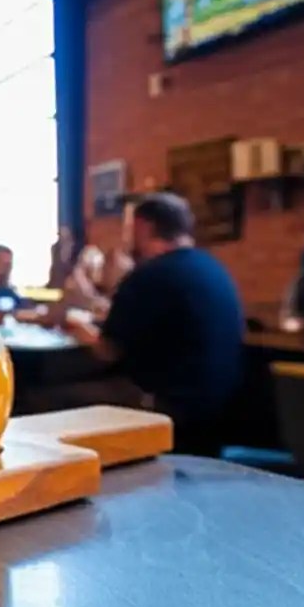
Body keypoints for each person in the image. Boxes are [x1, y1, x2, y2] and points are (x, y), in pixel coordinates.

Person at [66, 193, 244, 456]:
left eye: (129, 230)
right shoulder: (213, 268)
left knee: (44, 398)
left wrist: (77, 327)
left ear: (143, 227)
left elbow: (106, 351)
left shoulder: (150, 275)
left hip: (165, 410)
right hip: (218, 417)